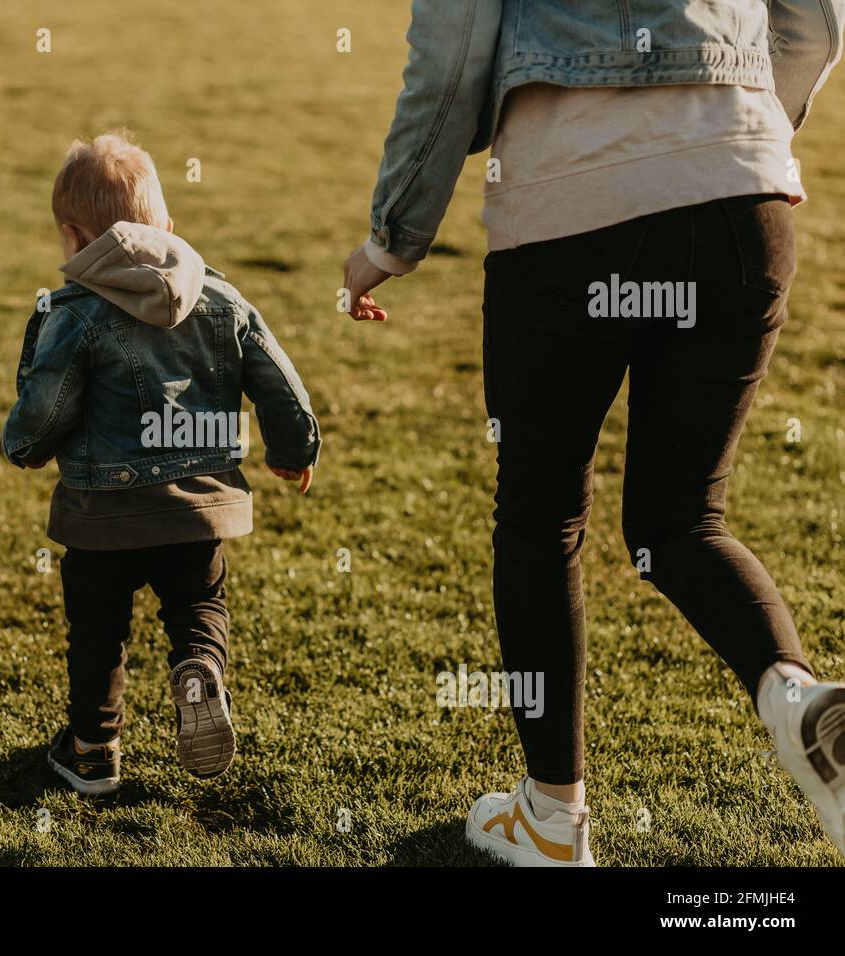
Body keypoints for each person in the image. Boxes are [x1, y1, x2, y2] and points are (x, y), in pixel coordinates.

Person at [345, 0, 845, 865]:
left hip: (568, 205)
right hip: (744, 194)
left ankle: (551, 816)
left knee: (540, 517)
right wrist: (743, 125)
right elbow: (818, 19)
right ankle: (799, 700)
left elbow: (452, 49)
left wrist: (394, 235)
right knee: (684, 521)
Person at [2, 131, 321, 794]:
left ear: (72, 236)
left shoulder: (73, 315)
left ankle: (92, 748)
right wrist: (293, 451)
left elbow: (45, 407)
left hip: (102, 517)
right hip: (196, 512)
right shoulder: (223, 300)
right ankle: (199, 667)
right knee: (199, 601)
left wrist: (24, 449)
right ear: (167, 226)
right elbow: (280, 380)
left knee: (97, 629)